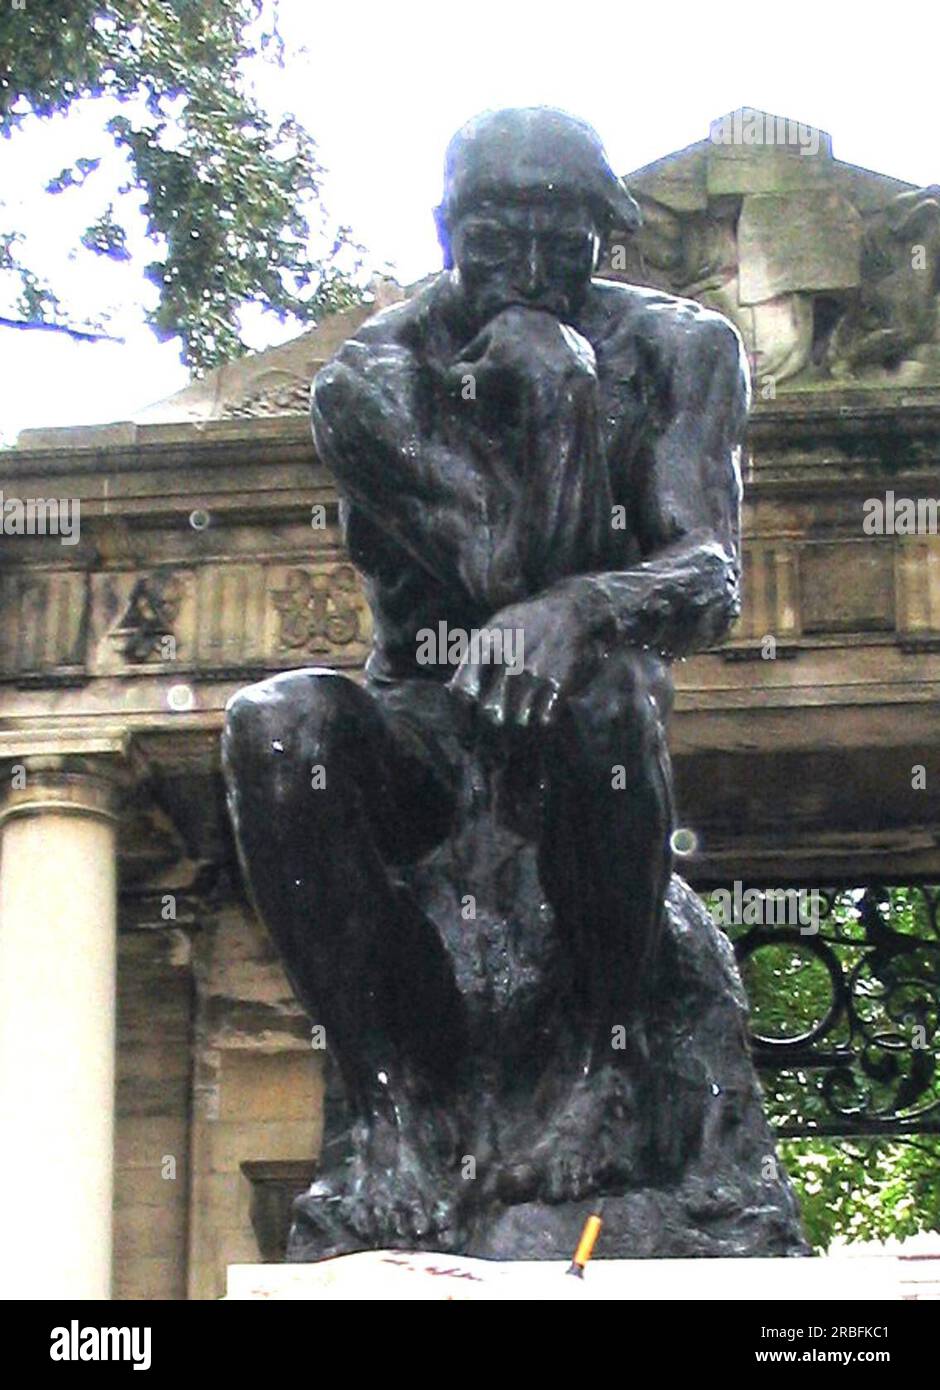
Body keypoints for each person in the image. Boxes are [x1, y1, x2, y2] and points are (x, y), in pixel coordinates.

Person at [222, 107, 748, 1248]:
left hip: (589, 732)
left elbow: (708, 576)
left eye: (565, 244)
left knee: (601, 687)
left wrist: (585, 608)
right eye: (496, 241)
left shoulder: (683, 349)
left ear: (607, 236)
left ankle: (605, 1065)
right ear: (445, 231)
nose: (530, 272)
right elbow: (494, 566)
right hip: (430, 728)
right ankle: (396, 1105)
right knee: (275, 726)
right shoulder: (370, 378)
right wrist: (552, 383)